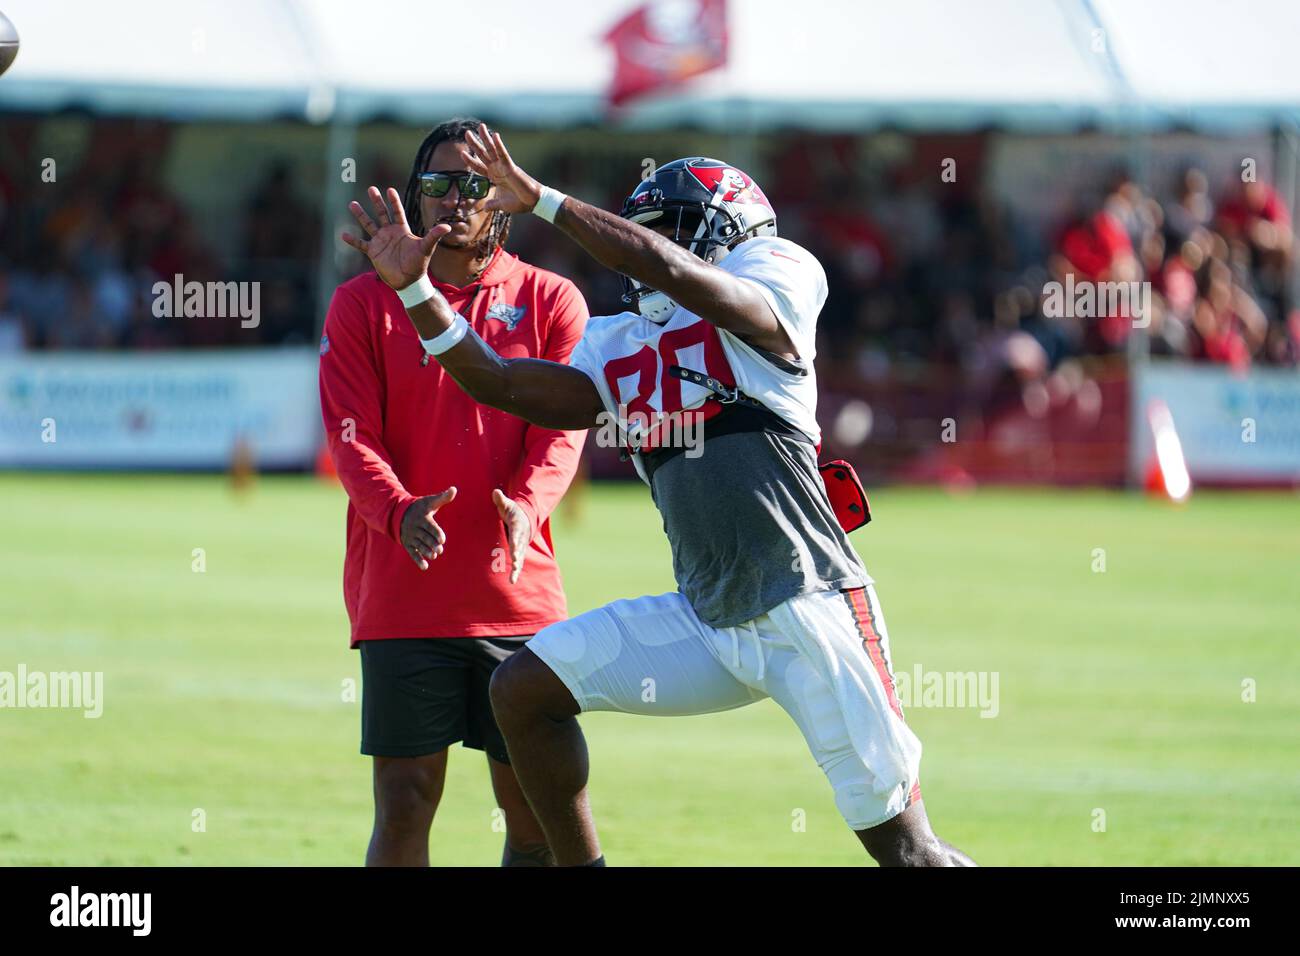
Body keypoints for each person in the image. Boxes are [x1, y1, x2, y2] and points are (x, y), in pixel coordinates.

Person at [340, 123, 973, 867]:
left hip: (808, 605)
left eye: (665, 228)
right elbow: (501, 382)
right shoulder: (623, 340)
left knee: (908, 853)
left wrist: (544, 202)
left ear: (722, 227)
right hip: (706, 616)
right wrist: (414, 290)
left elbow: (675, 272)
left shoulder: (780, 272)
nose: (644, 249)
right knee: (522, 691)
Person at [319, 118, 589, 866]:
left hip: (517, 597)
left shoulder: (553, 300)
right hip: (403, 594)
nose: (453, 200)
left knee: (534, 813)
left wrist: (527, 507)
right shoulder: (361, 305)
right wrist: (397, 511)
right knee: (404, 802)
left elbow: (561, 434)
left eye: (473, 185)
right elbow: (349, 436)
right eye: (435, 183)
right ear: (413, 194)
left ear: (502, 199)